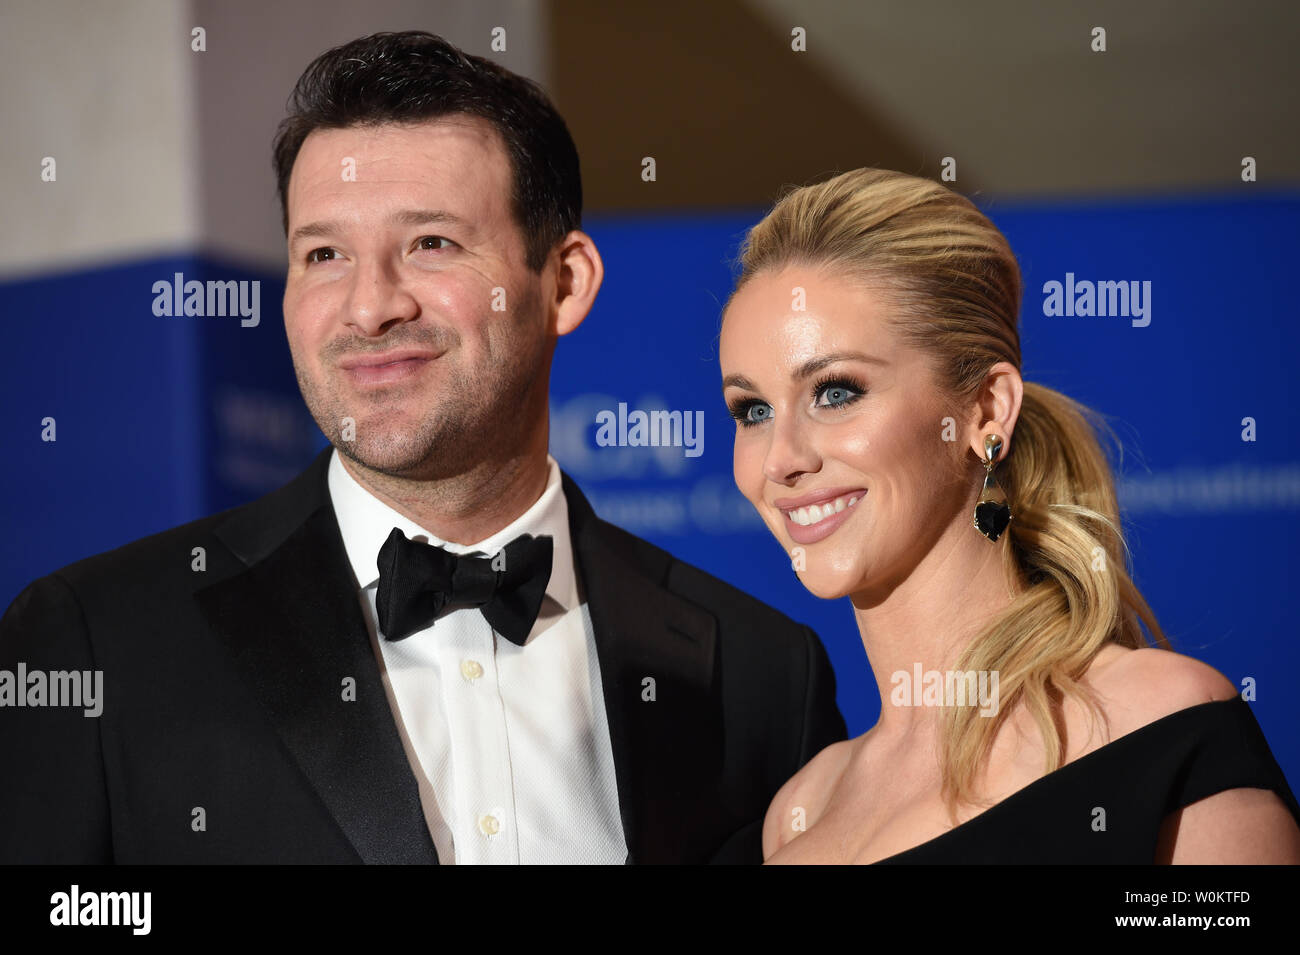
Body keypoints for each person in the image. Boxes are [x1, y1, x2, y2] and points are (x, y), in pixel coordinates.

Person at [0, 31, 846, 865]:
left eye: (430, 244)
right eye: (324, 254)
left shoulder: (760, 674)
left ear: (565, 281)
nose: (370, 308)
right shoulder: (97, 642)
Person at [718, 167, 1300, 864]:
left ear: (987, 411)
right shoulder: (799, 813)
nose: (779, 458)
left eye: (835, 391)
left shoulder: (1156, 725)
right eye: (751, 410)